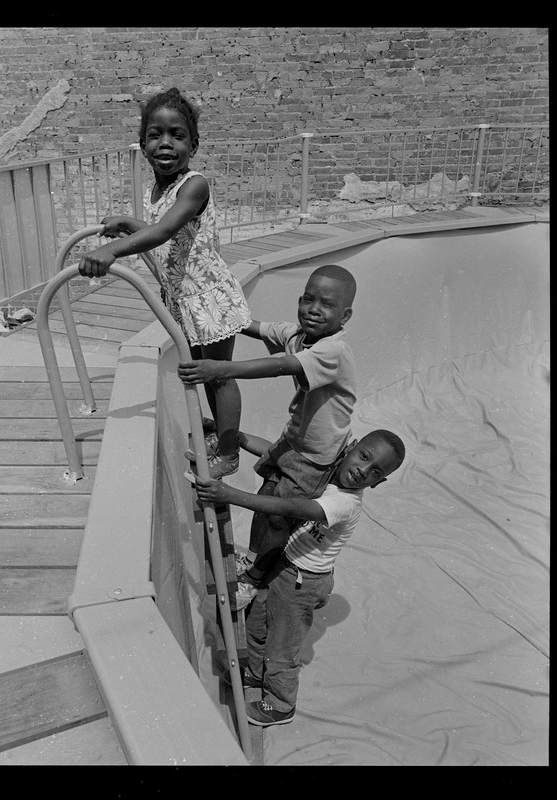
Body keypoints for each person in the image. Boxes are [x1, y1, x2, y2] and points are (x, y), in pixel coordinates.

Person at [78, 87, 252, 478]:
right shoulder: (158, 188)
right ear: (142, 145)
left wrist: (114, 250)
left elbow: (162, 231)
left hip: (207, 298)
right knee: (203, 372)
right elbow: (162, 228)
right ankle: (219, 433)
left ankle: (229, 451)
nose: (166, 143)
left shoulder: (195, 185)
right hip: (185, 299)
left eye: (177, 135)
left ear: (194, 144)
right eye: (155, 135)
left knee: (219, 375)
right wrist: (129, 223)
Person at [195, 428, 406, 727]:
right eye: (364, 457)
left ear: (378, 483)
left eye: (375, 472)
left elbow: (289, 506)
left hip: (303, 582)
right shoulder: (329, 470)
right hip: (284, 563)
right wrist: (242, 439)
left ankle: (281, 703)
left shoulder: (345, 503)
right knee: (256, 624)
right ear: (353, 446)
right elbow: (284, 461)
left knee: (281, 646)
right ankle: (254, 674)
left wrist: (231, 496)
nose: (362, 471)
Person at [179, 263, 358, 595]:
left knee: (277, 517)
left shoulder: (332, 351)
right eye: (308, 300)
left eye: (327, 305)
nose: (314, 310)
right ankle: (251, 558)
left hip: (315, 458)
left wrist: (219, 367)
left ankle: (256, 576)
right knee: (265, 498)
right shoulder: (296, 334)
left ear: (344, 316)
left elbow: (279, 366)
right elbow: (251, 326)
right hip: (295, 439)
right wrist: (210, 309)